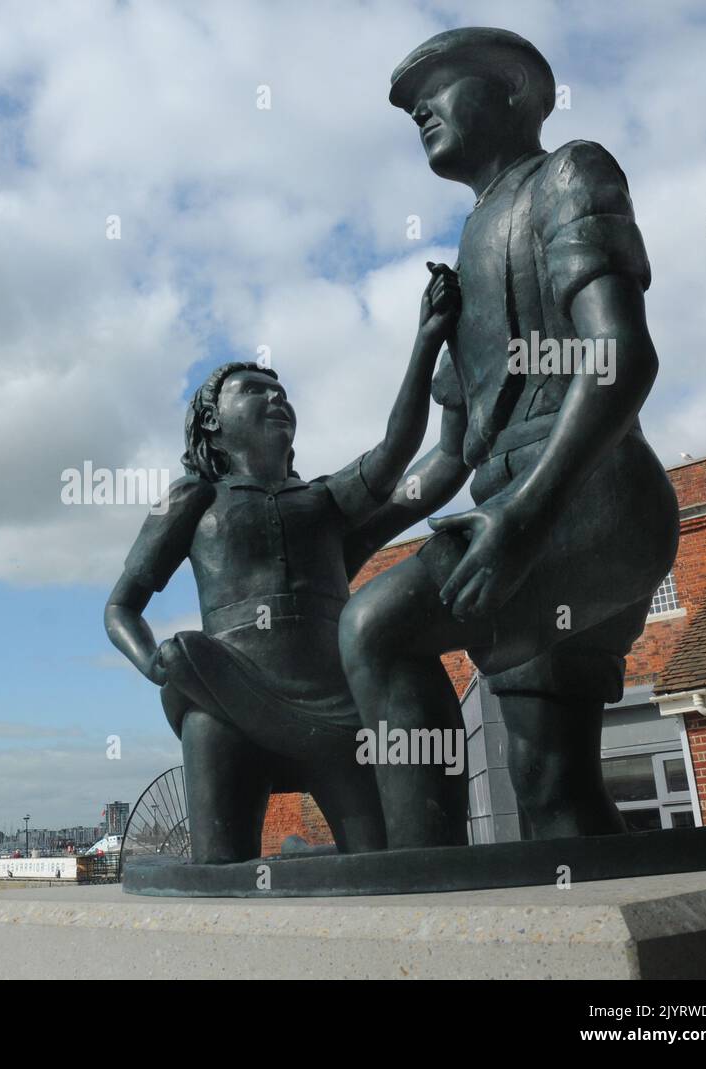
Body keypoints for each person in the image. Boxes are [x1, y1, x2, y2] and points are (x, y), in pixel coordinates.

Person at [338, 28, 680, 848]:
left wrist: (524, 517)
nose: (418, 108)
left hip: (587, 502)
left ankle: (423, 867)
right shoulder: (462, 250)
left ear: (515, 92)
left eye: (441, 84)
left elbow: (619, 356)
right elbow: (453, 456)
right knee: (552, 789)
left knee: (375, 628)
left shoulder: (570, 173)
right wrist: (351, 539)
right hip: (516, 526)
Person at [105, 266, 458, 864]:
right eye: (254, 392)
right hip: (226, 700)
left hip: (336, 707)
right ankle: (283, 861)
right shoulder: (192, 498)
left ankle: (298, 856)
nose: (277, 399)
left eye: (284, 394)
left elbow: (403, 452)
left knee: (378, 865)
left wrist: (427, 342)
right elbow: (120, 606)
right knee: (221, 875)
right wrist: (155, 667)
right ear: (213, 421)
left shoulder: (323, 501)